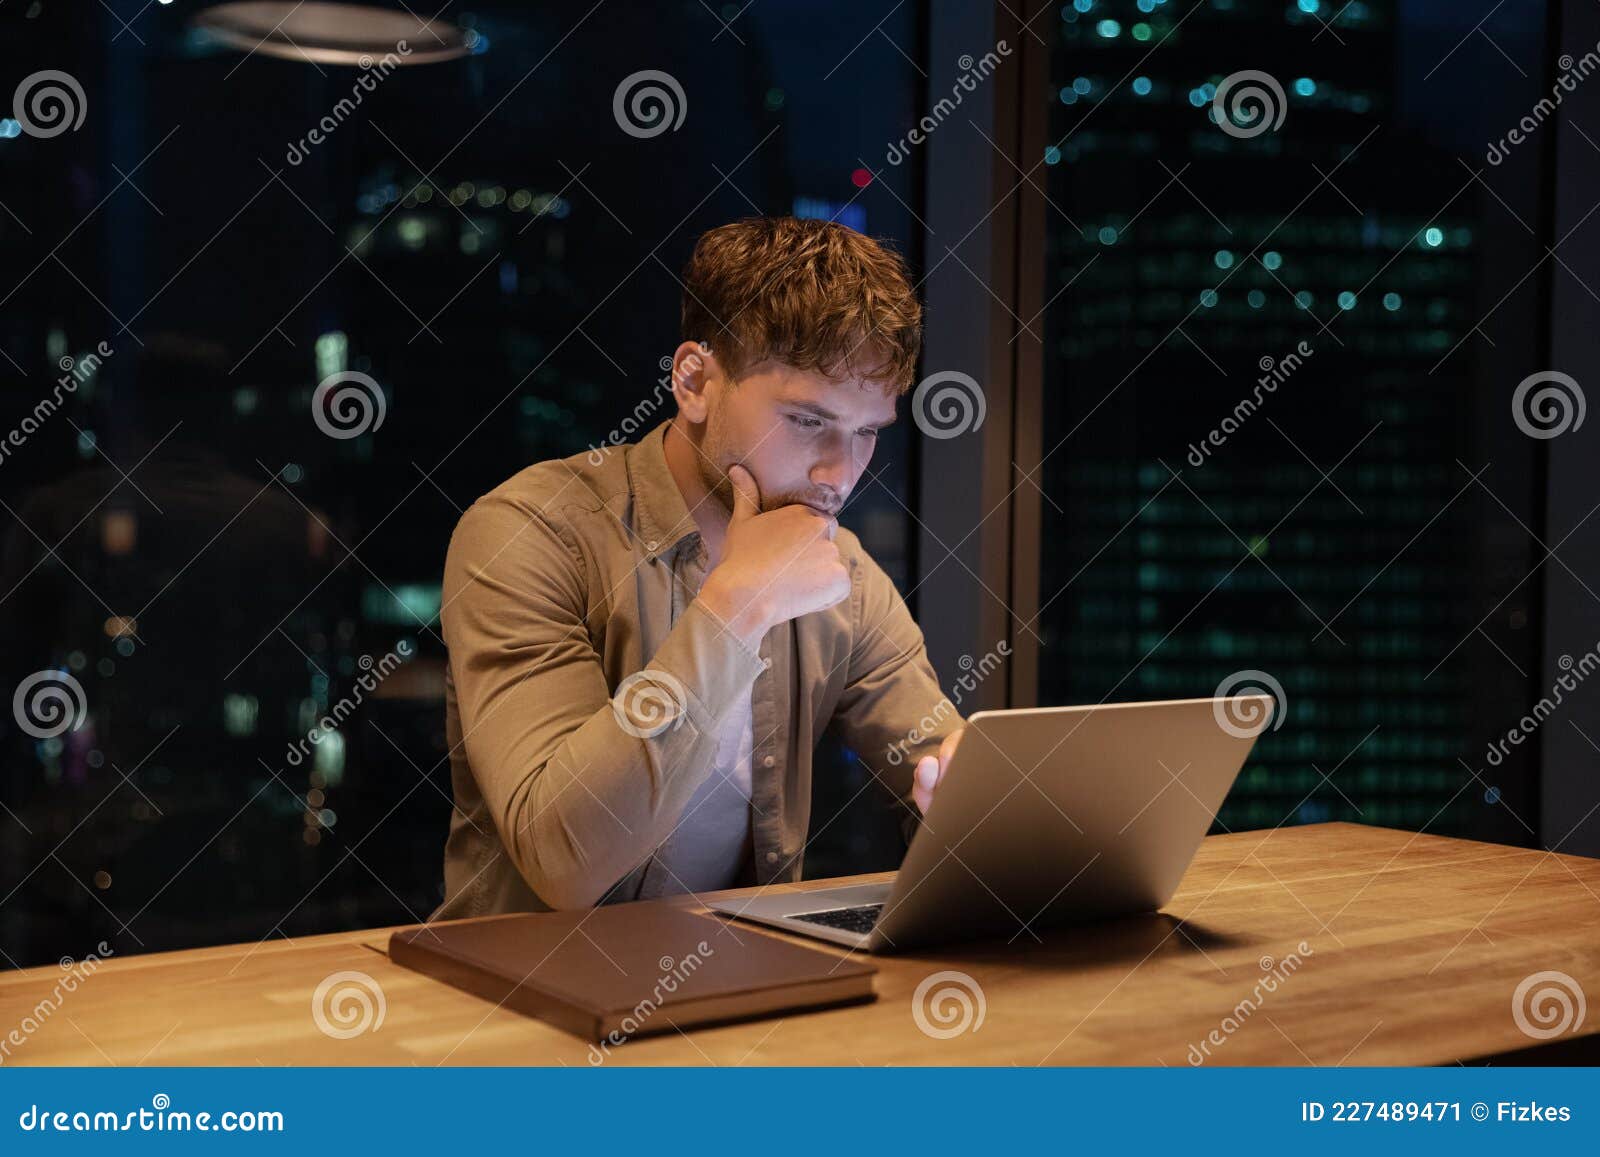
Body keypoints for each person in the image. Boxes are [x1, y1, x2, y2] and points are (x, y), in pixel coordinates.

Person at [432, 216, 965, 918]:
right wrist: (737, 607)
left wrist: (974, 803)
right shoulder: (529, 533)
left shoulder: (845, 579)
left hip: (742, 993)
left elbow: (945, 779)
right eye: (808, 422)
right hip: (525, 998)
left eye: (866, 432)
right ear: (694, 381)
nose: (841, 473)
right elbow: (561, 859)